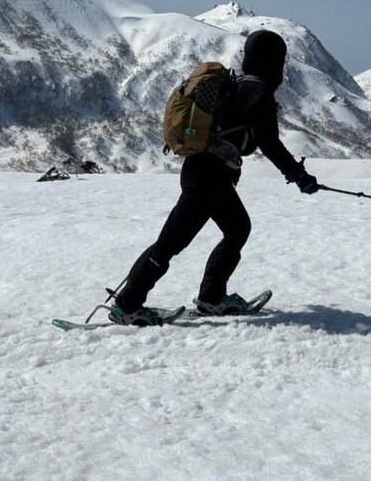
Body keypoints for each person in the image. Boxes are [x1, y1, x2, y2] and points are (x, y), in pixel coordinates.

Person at [110, 29, 319, 325]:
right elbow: (269, 143)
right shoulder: (258, 93)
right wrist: (298, 176)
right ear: (273, 62)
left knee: (237, 228)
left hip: (207, 174)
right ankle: (127, 304)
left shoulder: (240, 86)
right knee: (171, 243)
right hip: (208, 178)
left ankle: (212, 298)